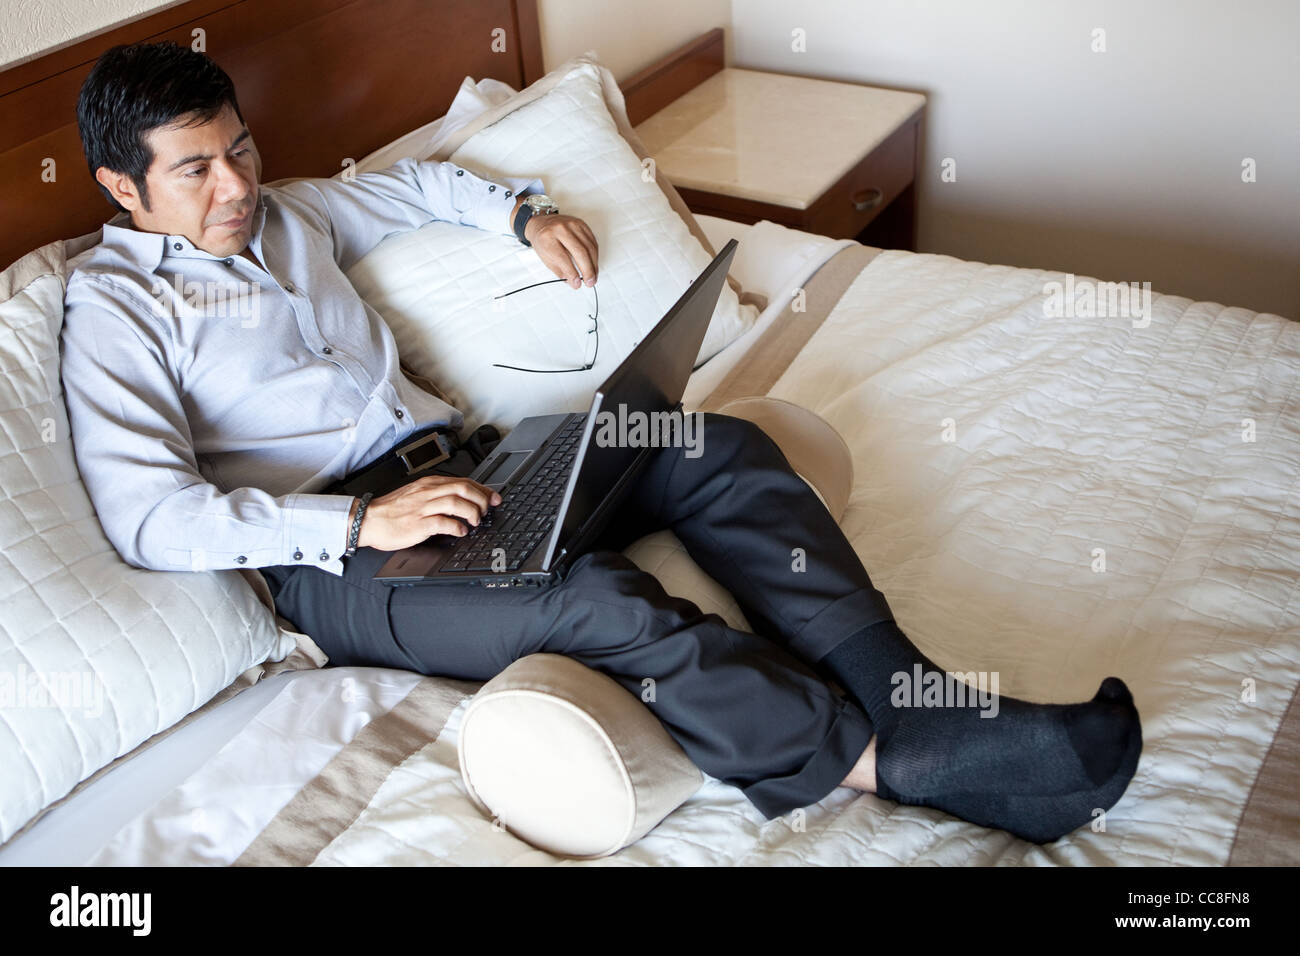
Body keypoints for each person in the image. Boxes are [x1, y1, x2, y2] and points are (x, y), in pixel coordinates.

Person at [60, 41, 1142, 846]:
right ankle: (887, 760)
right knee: (599, 600)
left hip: (472, 466)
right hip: (346, 562)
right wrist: (355, 516)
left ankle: (905, 688)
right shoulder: (117, 308)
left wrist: (521, 214)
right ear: (121, 188)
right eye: (194, 170)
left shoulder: (289, 215)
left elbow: (417, 183)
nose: (236, 186)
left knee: (702, 443)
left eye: (239, 148)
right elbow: (150, 514)